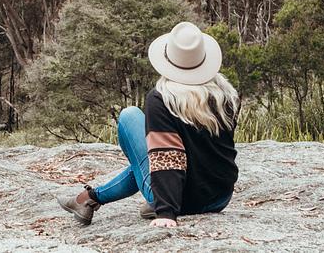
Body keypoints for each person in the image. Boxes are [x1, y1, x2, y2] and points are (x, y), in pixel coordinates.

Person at [56, 21, 239, 229]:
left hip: (184, 202)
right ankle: (89, 198)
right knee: (143, 159)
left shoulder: (161, 98)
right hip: (220, 198)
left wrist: (166, 211)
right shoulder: (226, 95)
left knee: (129, 116)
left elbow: (167, 156)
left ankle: (94, 199)